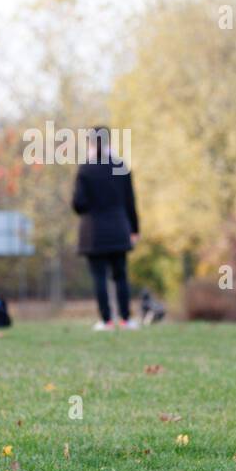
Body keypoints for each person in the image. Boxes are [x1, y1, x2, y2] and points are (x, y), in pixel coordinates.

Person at [71, 126, 139, 330]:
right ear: (109, 141)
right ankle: (126, 319)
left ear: (90, 143)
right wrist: (134, 229)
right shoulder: (121, 166)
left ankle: (106, 320)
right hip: (119, 229)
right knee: (121, 276)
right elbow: (130, 202)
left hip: (94, 233)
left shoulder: (86, 169)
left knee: (99, 277)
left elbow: (78, 204)